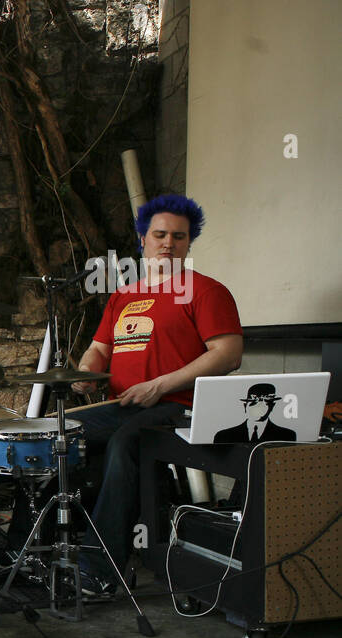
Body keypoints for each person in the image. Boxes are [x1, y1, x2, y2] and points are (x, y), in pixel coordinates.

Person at [71, 193, 243, 595]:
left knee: (123, 444)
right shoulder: (123, 296)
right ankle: (24, 550)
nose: (169, 243)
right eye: (160, 235)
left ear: (188, 243)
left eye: (179, 237)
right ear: (143, 239)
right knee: (56, 432)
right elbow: (99, 350)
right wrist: (85, 373)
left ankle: (98, 569)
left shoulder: (205, 290)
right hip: (121, 404)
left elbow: (229, 354)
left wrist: (161, 384)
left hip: (177, 406)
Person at [212, 383, 297, 442]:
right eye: (254, 402)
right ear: (245, 405)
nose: (259, 407)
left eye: (265, 402)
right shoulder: (223, 436)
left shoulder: (286, 436)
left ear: (272, 406)